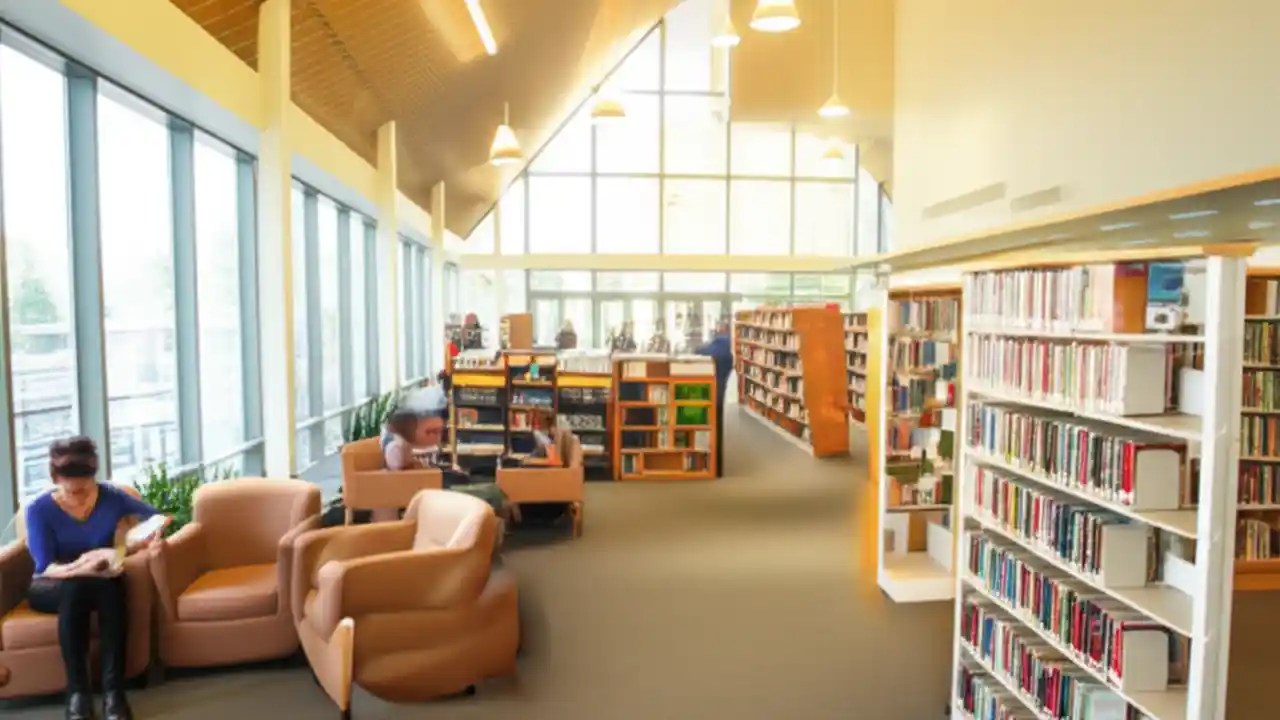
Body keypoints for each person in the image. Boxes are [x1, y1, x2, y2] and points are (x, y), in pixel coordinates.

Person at [24, 437, 167, 720]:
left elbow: (156, 516)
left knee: (111, 588)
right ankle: (79, 693)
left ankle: (114, 693)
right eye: (72, 490)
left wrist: (149, 535)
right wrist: (79, 567)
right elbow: (44, 565)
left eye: (85, 488)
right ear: (55, 479)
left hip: (100, 576)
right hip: (53, 582)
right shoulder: (39, 510)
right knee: (77, 588)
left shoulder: (111, 497)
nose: (80, 496)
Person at [697, 320, 733, 478]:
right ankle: (717, 467)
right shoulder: (729, 349)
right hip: (720, 392)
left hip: (708, 393)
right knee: (717, 429)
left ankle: (709, 464)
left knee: (707, 428)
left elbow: (701, 350)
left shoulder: (719, 346)